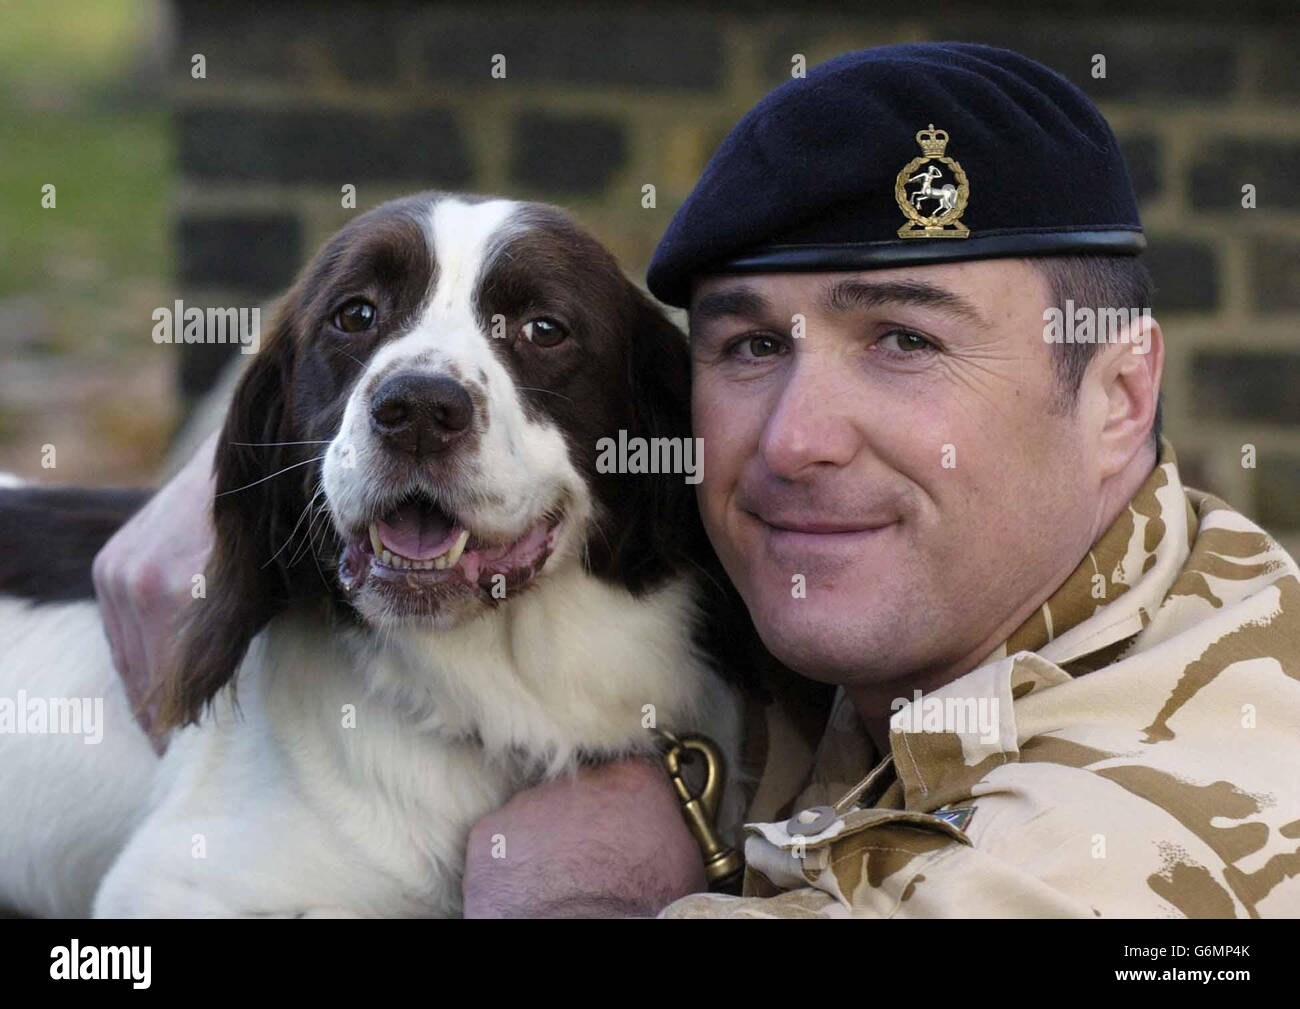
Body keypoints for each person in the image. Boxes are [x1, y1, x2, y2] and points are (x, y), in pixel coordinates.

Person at [96, 43, 1300, 918]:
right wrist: (260, 455)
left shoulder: (1149, 839)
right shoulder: (882, 602)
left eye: (904, 339)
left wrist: (566, 902)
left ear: (1118, 400)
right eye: (751, 345)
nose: (794, 441)